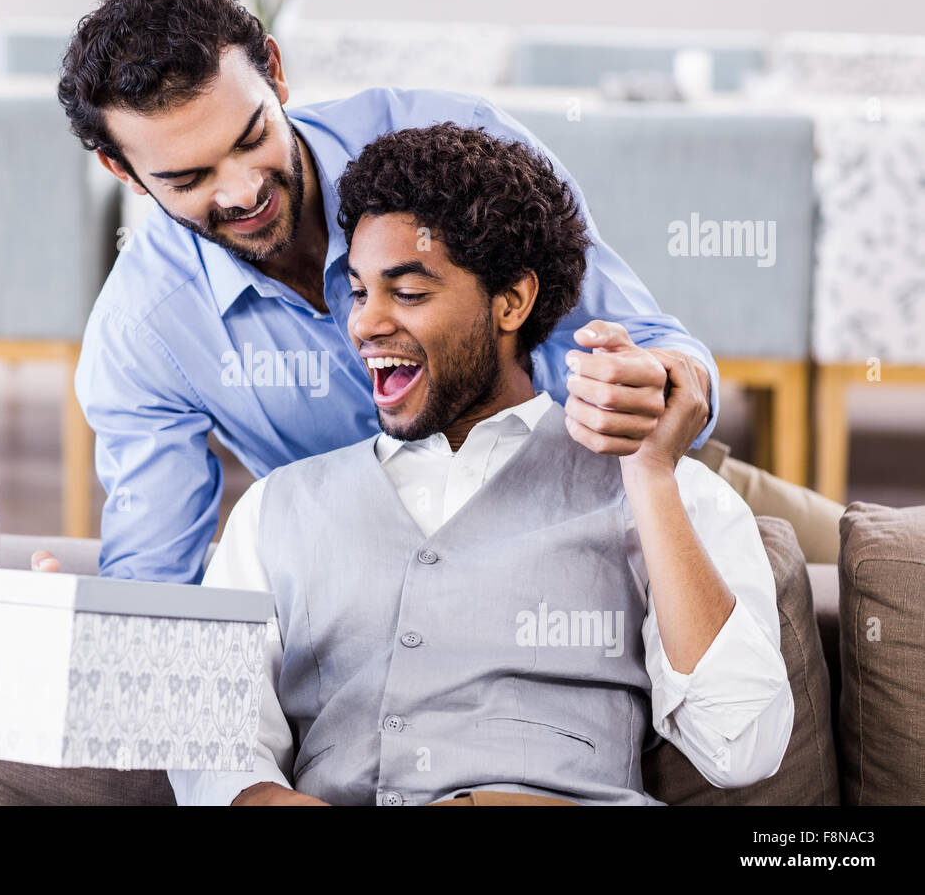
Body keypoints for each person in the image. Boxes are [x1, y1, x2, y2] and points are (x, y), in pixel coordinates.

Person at [167, 124, 793, 806]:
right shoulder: (276, 509)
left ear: (511, 301)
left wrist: (649, 474)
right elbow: (208, 729)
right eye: (358, 292)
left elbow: (744, 744)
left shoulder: (659, 491)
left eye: (407, 293)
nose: (364, 325)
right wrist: (257, 796)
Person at [33, 0, 720, 584]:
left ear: (274, 71)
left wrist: (659, 381)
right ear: (122, 171)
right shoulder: (143, 334)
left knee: (795, 543)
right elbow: (155, 582)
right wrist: (79, 637)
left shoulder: (453, 139)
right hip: (393, 580)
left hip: (602, 515)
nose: (243, 192)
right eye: (189, 178)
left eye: (251, 138)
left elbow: (655, 346)